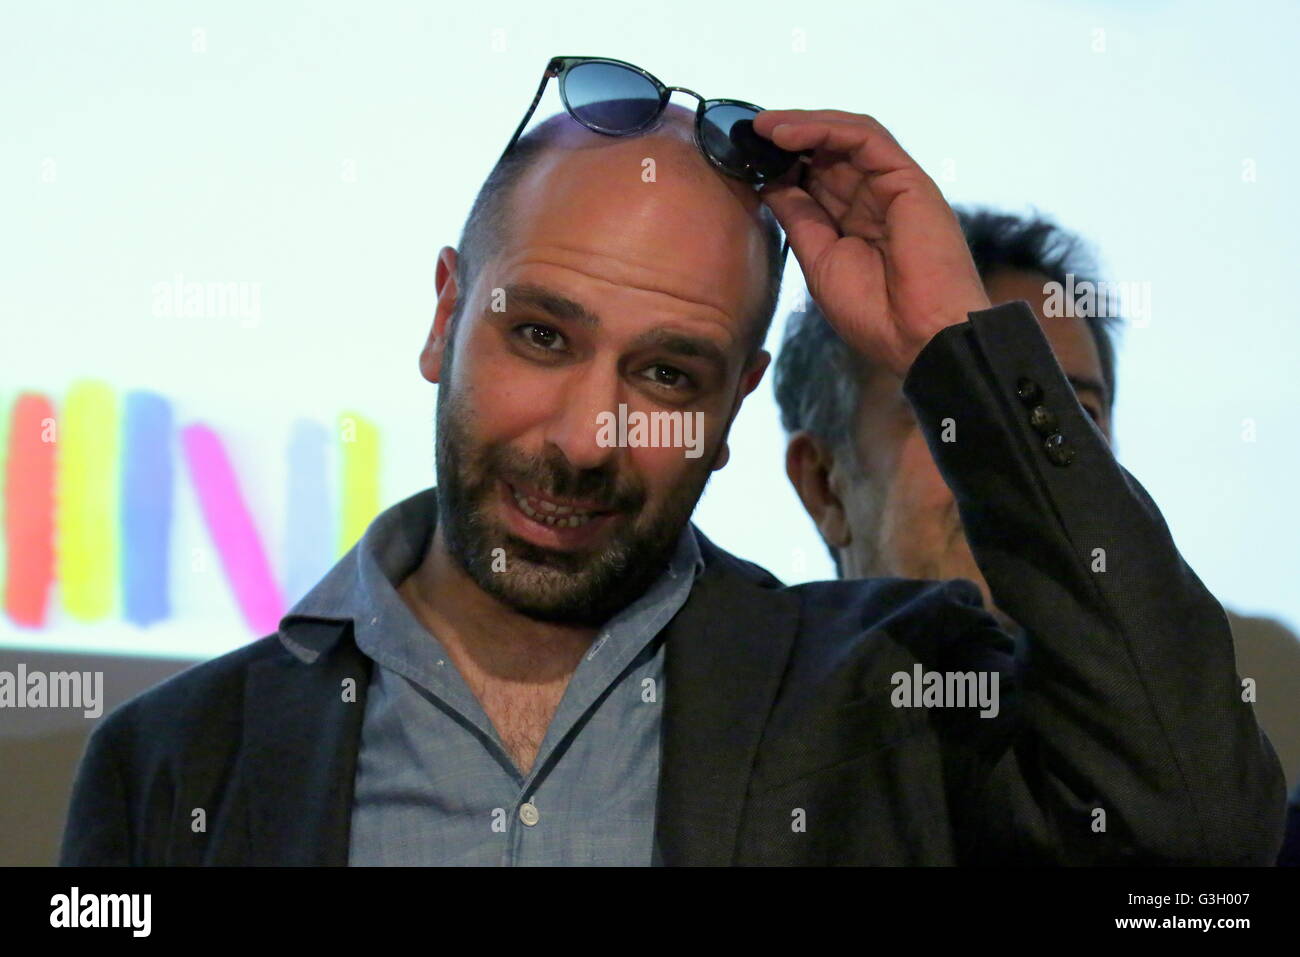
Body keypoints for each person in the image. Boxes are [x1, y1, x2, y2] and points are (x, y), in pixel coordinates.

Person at [59, 63, 1284, 864]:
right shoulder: (178, 761)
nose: (588, 439)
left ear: (738, 402)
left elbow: (1201, 836)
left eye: (667, 375)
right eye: (540, 336)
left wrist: (952, 351)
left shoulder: (892, 693)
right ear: (445, 315)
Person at [774, 206, 1300, 840]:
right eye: (951, 410)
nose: (1012, 460)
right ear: (824, 484)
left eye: (1068, 415)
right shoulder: (723, 740)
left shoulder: (1253, 706)